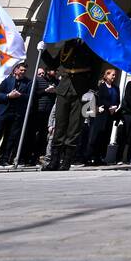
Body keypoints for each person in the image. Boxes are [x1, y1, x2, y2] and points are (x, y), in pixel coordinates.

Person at [39, 38, 104, 171]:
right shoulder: (67, 45)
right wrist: (44, 51)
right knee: (60, 125)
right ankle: (54, 161)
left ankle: (67, 161)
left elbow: (96, 68)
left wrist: (92, 89)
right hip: (64, 88)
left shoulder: (91, 45)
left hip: (82, 88)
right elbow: (53, 64)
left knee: (75, 126)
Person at [86, 68, 121, 165]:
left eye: (115, 75)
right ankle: (90, 157)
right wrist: (108, 106)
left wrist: (115, 107)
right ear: (106, 75)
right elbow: (100, 99)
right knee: (96, 135)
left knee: (105, 136)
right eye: (112, 75)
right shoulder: (100, 86)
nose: (114, 77)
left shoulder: (116, 88)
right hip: (101, 114)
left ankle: (100, 157)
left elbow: (118, 100)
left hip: (110, 114)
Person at [26, 66, 56, 165]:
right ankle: (28, 157)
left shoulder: (51, 81)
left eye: (42, 73)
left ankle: (37, 157)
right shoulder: (36, 81)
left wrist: (53, 90)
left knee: (43, 136)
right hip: (37, 111)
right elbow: (33, 94)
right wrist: (45, 91)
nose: (41, 75)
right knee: (32, 135)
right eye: (40, 73)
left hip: (47, 112)